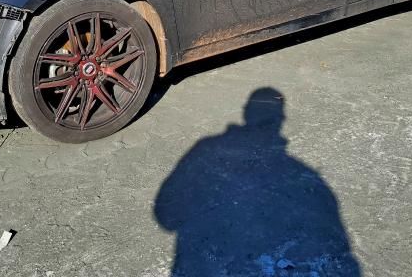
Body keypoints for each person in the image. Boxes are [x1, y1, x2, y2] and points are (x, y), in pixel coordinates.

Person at [154, 87, 361, 276]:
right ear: (280, 119)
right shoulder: (308, 178)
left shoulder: (205, 150)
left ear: (246, 112)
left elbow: (166, 216)